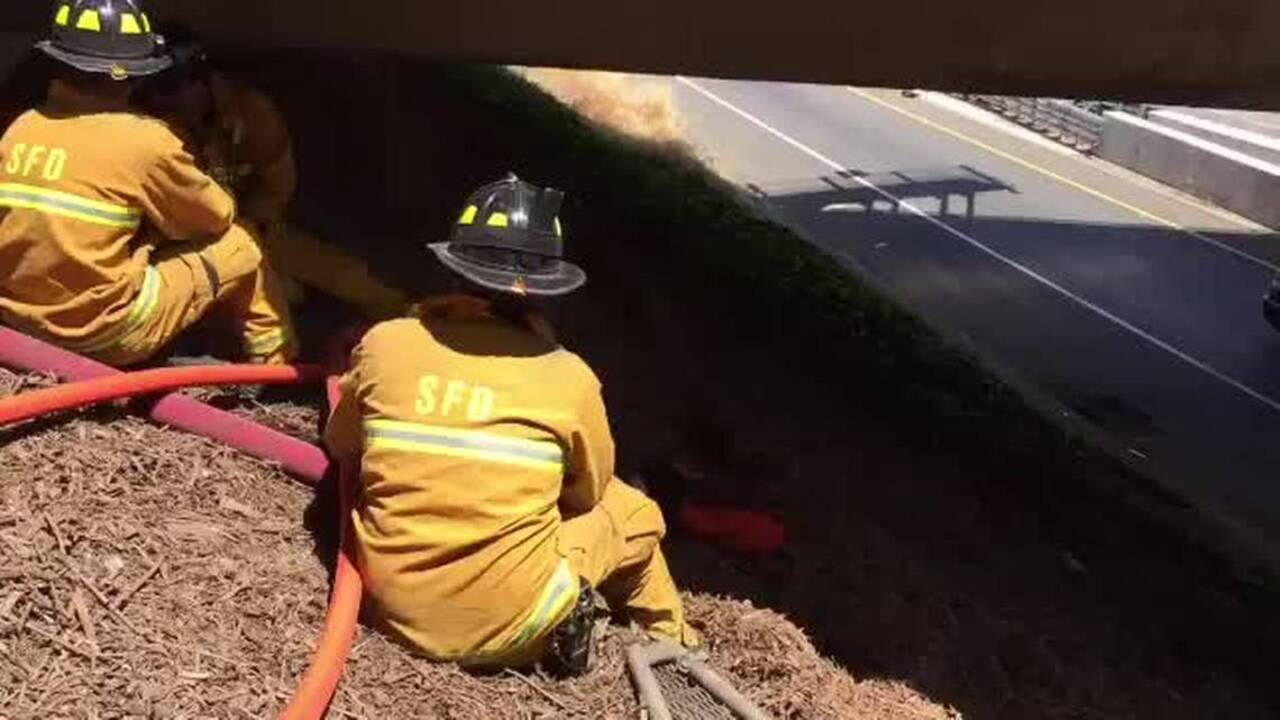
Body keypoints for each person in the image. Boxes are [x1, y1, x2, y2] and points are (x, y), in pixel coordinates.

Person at [325, 174, 699, 673]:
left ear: (454, 268)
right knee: (635, 512)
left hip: (384, 608)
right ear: (545, 293)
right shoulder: (570, 378)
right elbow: (586, 496)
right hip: (515, 629)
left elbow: (341, 444)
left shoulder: (385, 343)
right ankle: (676, 647)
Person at [0, 0, 296, 366]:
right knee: (240, 242)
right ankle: (275, 366)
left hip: (19, 325)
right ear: (130, 77)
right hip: (105, 335)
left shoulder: (19, 129)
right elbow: (215, 219)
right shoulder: (146, 140)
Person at [135, 32, 410, 320]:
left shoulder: (248, 110)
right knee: (274, 295)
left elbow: (277, 179)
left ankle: (402, 311)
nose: (171, 102)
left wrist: (256, 220)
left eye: (177, 90)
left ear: (201, 81)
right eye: (159, 94)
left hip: (250, 223)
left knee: (330, 271)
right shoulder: (149, 123)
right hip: (180, 237)